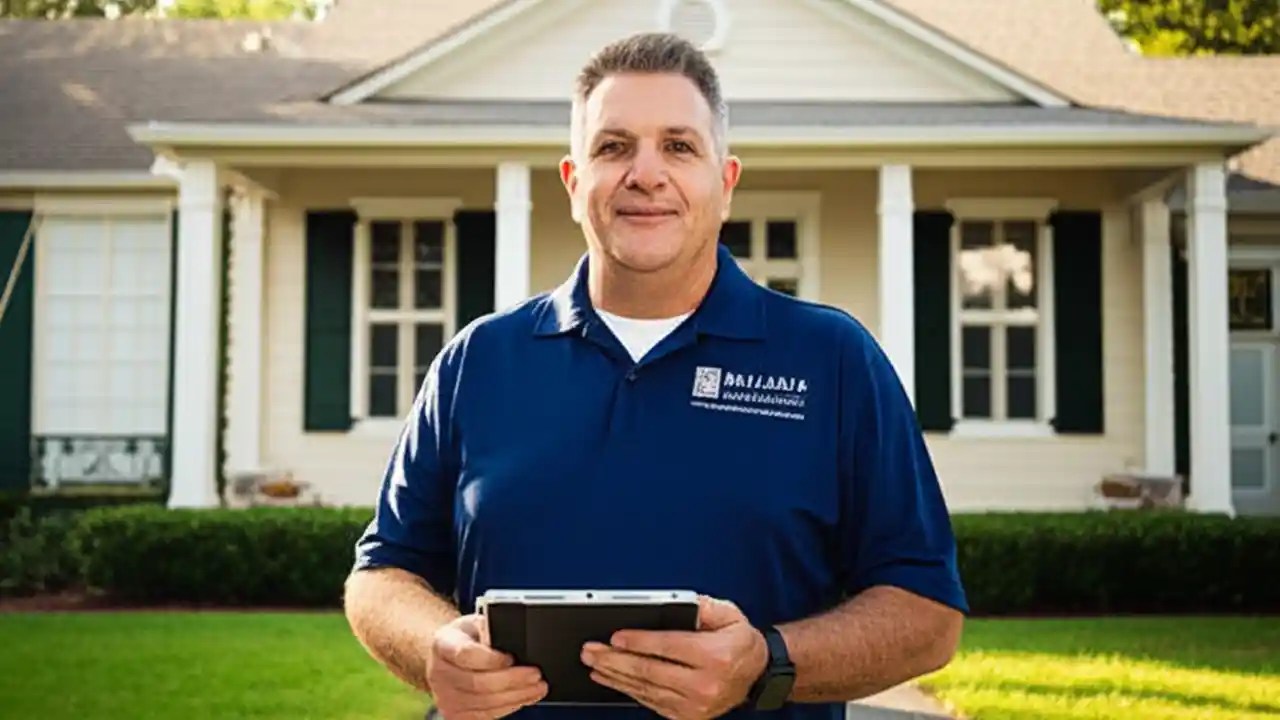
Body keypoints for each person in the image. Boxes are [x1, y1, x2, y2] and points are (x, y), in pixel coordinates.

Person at [343, 31, 967, 720]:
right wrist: (435, 647)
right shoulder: (478, 362)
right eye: (613, 147)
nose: (646, 173)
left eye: (679, 145)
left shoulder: (834, 360)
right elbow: (381, 576)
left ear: (724, 183)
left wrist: (768, 662)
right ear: (574, 183)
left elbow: (928, 613)